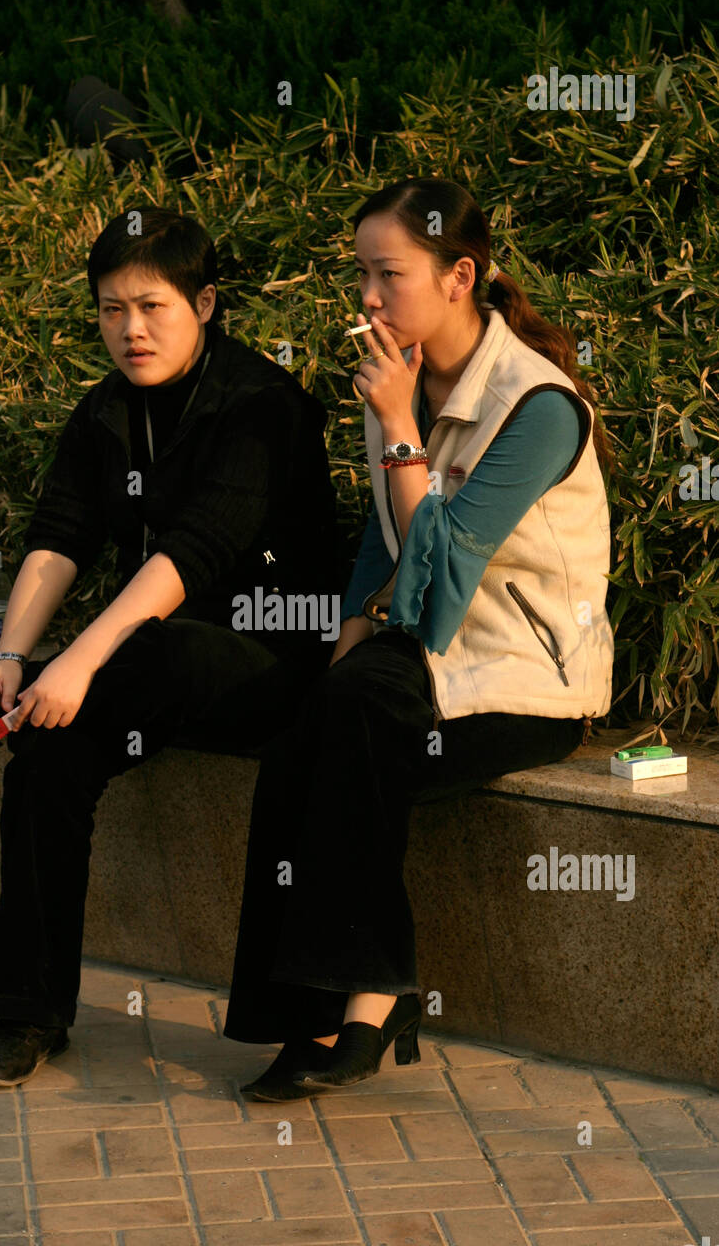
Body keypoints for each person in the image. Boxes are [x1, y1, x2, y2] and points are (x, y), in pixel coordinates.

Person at [0, 206, 339, 1087]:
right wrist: (11, 658)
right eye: (108, 309)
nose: (130, 330)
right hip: (149, 664)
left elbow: (194, 553)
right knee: (48, 759)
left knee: (154, 655)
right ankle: (29, 1012)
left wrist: (80, 661)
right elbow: (59, 540)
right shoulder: (105, 414)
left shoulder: (263, 406)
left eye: (152, 306)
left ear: (205, 303)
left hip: (269, 657)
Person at [223, 177, 616, 1101]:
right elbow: (381, 534)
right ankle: (306, 1018)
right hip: (428, 664)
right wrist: (349, 632)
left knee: (355, 718)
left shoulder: (538, 406)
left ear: (458, 276)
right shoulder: (397, 376)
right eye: (360, 273)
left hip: (526, 680)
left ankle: (366, 998)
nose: (365, 297)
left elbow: (441, 584)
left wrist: (401, 426)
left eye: (386, 274)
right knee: (309, 729)